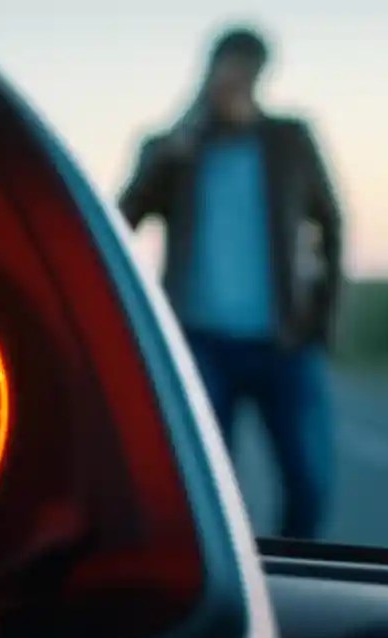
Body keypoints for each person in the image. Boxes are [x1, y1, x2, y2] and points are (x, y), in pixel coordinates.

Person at [119, 26, 343, 539]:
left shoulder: (290, 139)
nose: (238, 77)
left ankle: (295, 580)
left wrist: (320, 319)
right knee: (204, 487)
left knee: (309, 481)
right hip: (200, 341)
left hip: (283, 340)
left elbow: (330, 223)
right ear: (210, 69)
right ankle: (230, 577)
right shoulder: (173, 147)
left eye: (250, 66)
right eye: (230, 64)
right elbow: (122, 220)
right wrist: (165, 157)